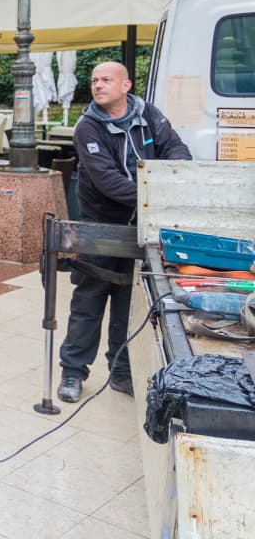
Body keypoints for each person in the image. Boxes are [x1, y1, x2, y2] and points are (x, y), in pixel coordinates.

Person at [57, 61, 190, 403]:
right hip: (101, 226)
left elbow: (176, 150)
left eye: (106, 80)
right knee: (89, 299)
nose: (98, 85)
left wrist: (173, 177)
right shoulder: (87, 128)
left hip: (141, 226)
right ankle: (72, 372)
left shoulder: (149, 115)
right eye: (94, 80)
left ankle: (121, 373)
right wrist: (161, 194)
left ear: (126, 85)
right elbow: (109, 183)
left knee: (128, 305)